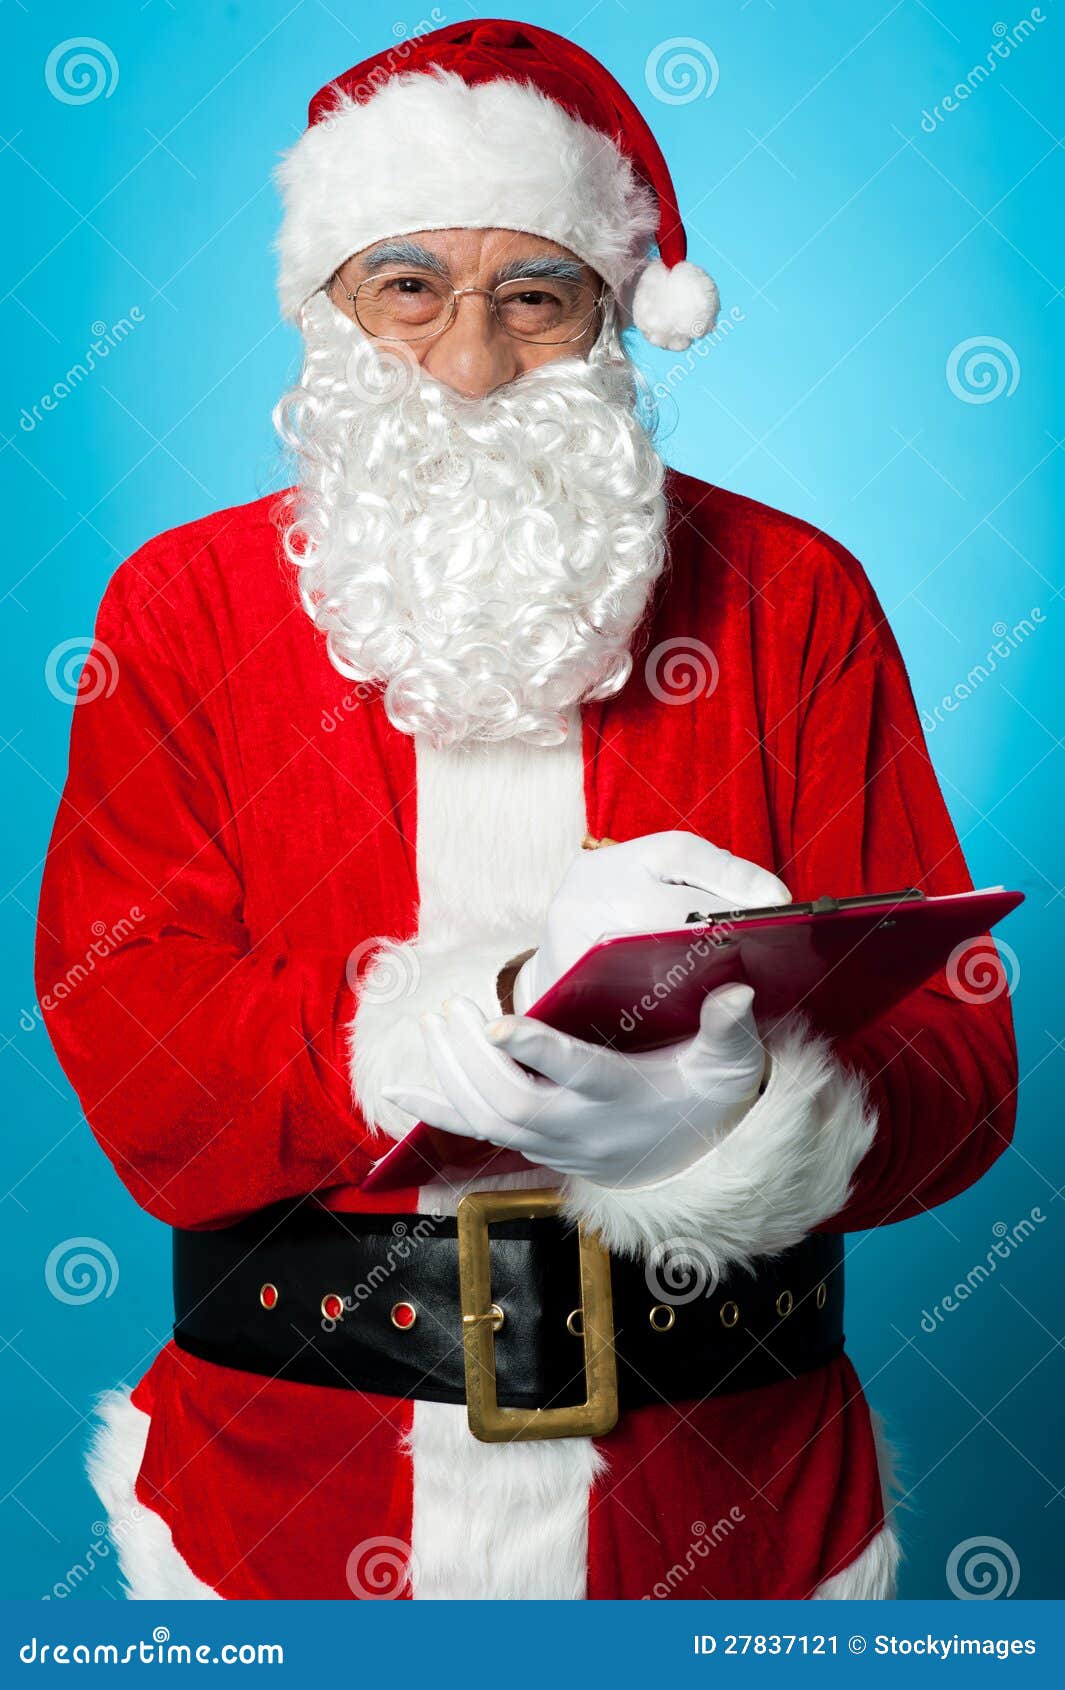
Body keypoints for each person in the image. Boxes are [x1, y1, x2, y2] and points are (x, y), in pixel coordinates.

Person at [37, 19, 1016, 1601]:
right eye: (408, 285)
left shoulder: (792, 599)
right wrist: (445, 1033)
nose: (471, 362)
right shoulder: (181, 609)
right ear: (326, 309)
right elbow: (135, 1046)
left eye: (534, 298)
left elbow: (965, 1059)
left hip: (733, 1513)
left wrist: (747, 1114)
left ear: (612, 322)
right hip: (278, 1505)